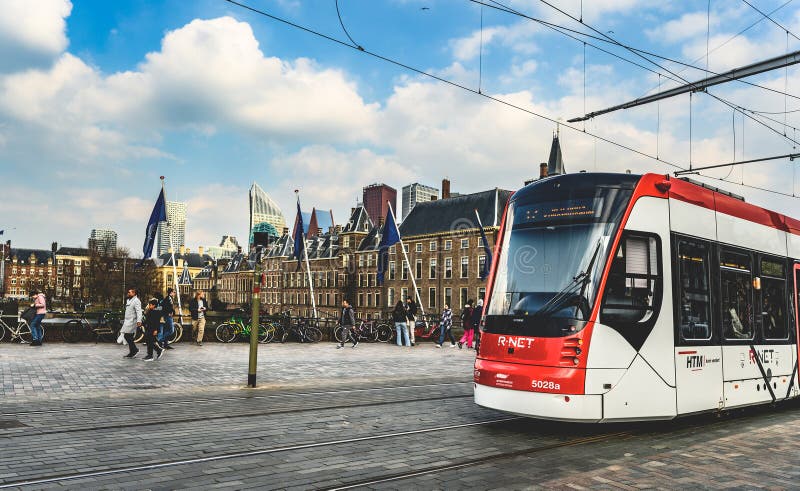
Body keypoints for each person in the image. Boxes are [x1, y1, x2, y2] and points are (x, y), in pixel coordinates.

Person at [120, 288, 143, 358]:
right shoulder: (129, 300)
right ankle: (132, 352)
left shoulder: (136, 301)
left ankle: (134, 350)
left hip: (132, 321)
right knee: (128, 336)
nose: (128, 293)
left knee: (127, 336)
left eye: (129, 292)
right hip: (127, 321)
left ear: (134, 293)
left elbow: (139, 311)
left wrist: (139, 321)